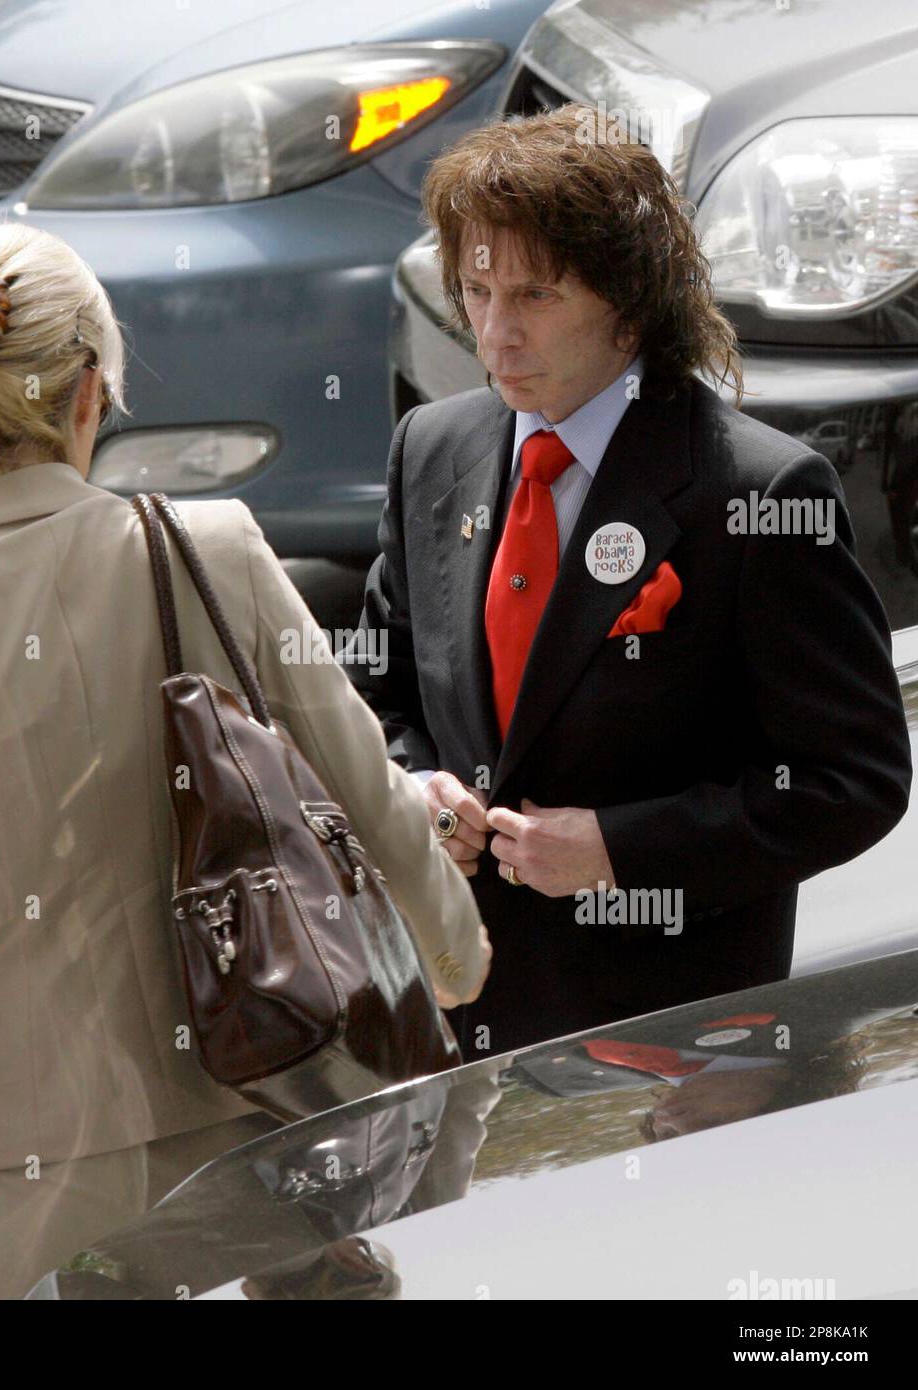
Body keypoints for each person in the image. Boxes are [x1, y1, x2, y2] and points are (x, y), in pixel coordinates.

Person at [0, 218, 489, 1301]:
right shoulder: (220, 548)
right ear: (93, 393)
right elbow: (364, 796)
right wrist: (454, 955)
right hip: (270, 1118)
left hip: (25, 1176)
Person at [348, 105, 911, 1061]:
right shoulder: (431, 450)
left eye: (536, 296)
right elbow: (379, 685)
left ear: (630, 300)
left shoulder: (757, 493)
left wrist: (620, 849)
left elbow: (853, 780)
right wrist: (414, 788)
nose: (496, 334)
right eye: (478, 292)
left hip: (671, 1044)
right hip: (458, 1022)